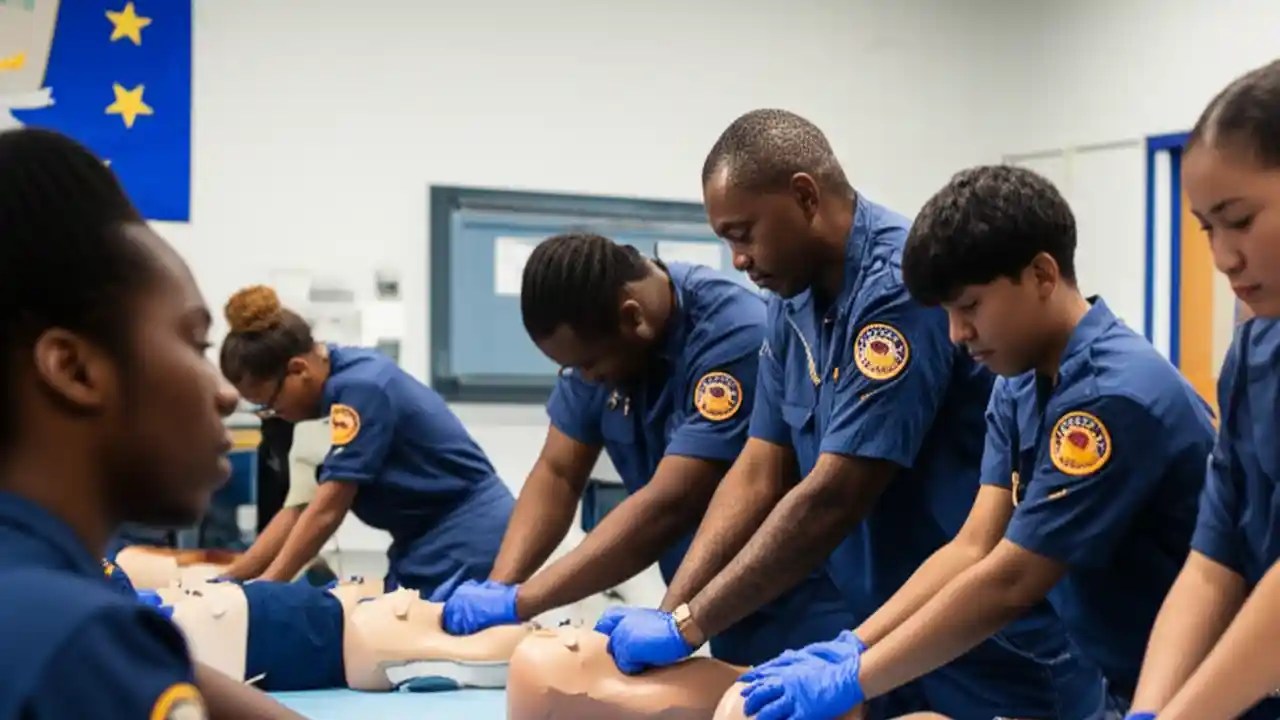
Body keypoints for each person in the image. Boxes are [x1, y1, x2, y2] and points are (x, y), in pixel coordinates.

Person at [598, 110, 1099, 719]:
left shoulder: (899, 287)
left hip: (988, 638)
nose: (737, 259)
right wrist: (671, 612)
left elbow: (836, 493)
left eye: (744, 233)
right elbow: (759, 469)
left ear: (805, 196)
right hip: (885, 625)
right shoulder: (792, 297)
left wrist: (691, 623)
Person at [736, 165, 1217, 720]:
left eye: (970, 307)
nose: (957, 335)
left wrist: (855, 680)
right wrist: (853, 646)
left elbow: (1011, 580)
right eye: (946, 314)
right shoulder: (1019, 384)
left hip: (1213, 688)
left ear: (1041, 274)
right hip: (1136, 680)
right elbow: (974, 545)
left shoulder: (1108, 397)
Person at [442, 233, 855, 665]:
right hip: (710, 606)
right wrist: (500, 589)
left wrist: (523, 602)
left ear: (632, 317)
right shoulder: (598, 341)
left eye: (588, 364)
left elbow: (670, 505)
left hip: (802, 602)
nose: (584, 377)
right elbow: (558, 473)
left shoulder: (736, 336)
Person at [0, 127, 300, 719]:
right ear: (74, 368)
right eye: (194, 342)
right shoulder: (78, 643)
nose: (224, 395)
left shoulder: (61, 610)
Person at [1125, 58, 1280, 720]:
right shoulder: (1256, 348)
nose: (1222, 256)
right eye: (1205, 227)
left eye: (1239, 220)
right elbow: (1214, 560)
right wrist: (1150, 711)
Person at [216, 285, 515, 599]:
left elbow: (328, 509)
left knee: (419, 643)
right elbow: (300, 509)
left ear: (298, 370)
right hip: (421, 542)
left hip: (466, 536)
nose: (277, 415)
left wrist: (265, 590)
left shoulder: (362, 389)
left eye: (271, 404)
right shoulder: (333, 383)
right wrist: (230, 578)